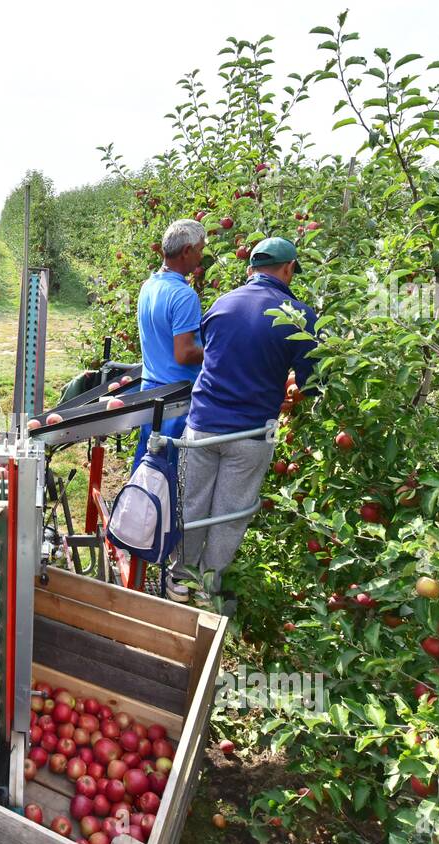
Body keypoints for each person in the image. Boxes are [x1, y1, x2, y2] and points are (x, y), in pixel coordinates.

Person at [177, 237, 319, 601]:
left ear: (251, 268)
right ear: (288, 269)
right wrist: (288, 390)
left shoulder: (222, 304)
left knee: (192, 503)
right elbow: (312, 383)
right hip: (251, 433)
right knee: (230, 514)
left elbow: (218, 356)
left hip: (202, 424)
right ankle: (209, 587)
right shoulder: (298, 315)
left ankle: (179, 579)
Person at [133, 218, 206, 472]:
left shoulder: (148, 286)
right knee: (168, 478)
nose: (201, 257)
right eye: (200, 250)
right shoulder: (184, 296)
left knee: (146, 470)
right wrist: (217, 353)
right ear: (187, 251)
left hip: (149, 392)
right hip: (175, 400)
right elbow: (184, 354)